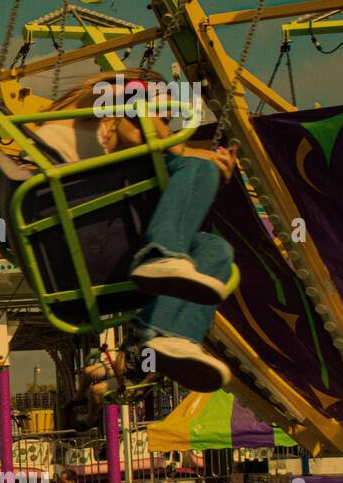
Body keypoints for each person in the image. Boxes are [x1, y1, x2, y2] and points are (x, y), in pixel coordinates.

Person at [30, 70, 238, 392]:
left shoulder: (97, 143)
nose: (164, 131)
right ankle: (160, 253)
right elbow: (143, 124)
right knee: (199, 167)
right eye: (161, 119)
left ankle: (165, 334)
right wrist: (195, 153)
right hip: (84, 241)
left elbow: (144, 129)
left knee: (217, 251)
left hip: (90, 238)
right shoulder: (98, 104)